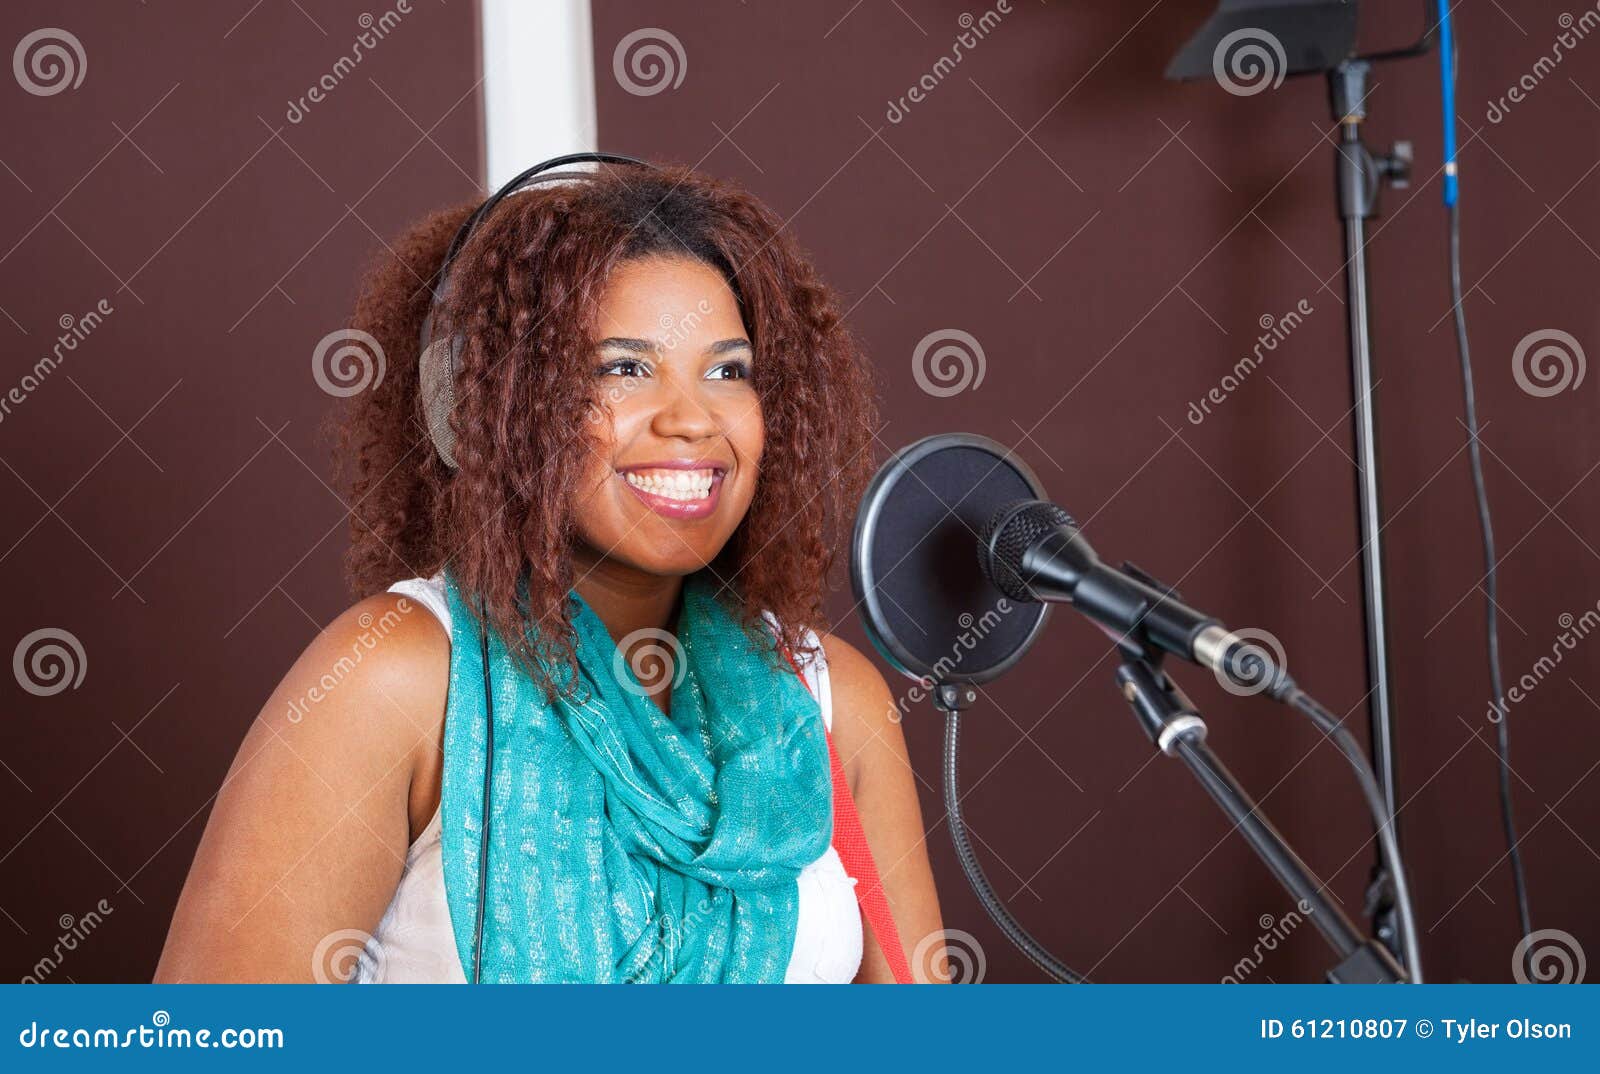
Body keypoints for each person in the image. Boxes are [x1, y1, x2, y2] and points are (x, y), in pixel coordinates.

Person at [155, 161, 945, 983]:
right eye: (624, 367)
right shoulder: (395, 676)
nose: (691, 419)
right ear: (485, 409)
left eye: (728, 370)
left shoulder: (828, 701)